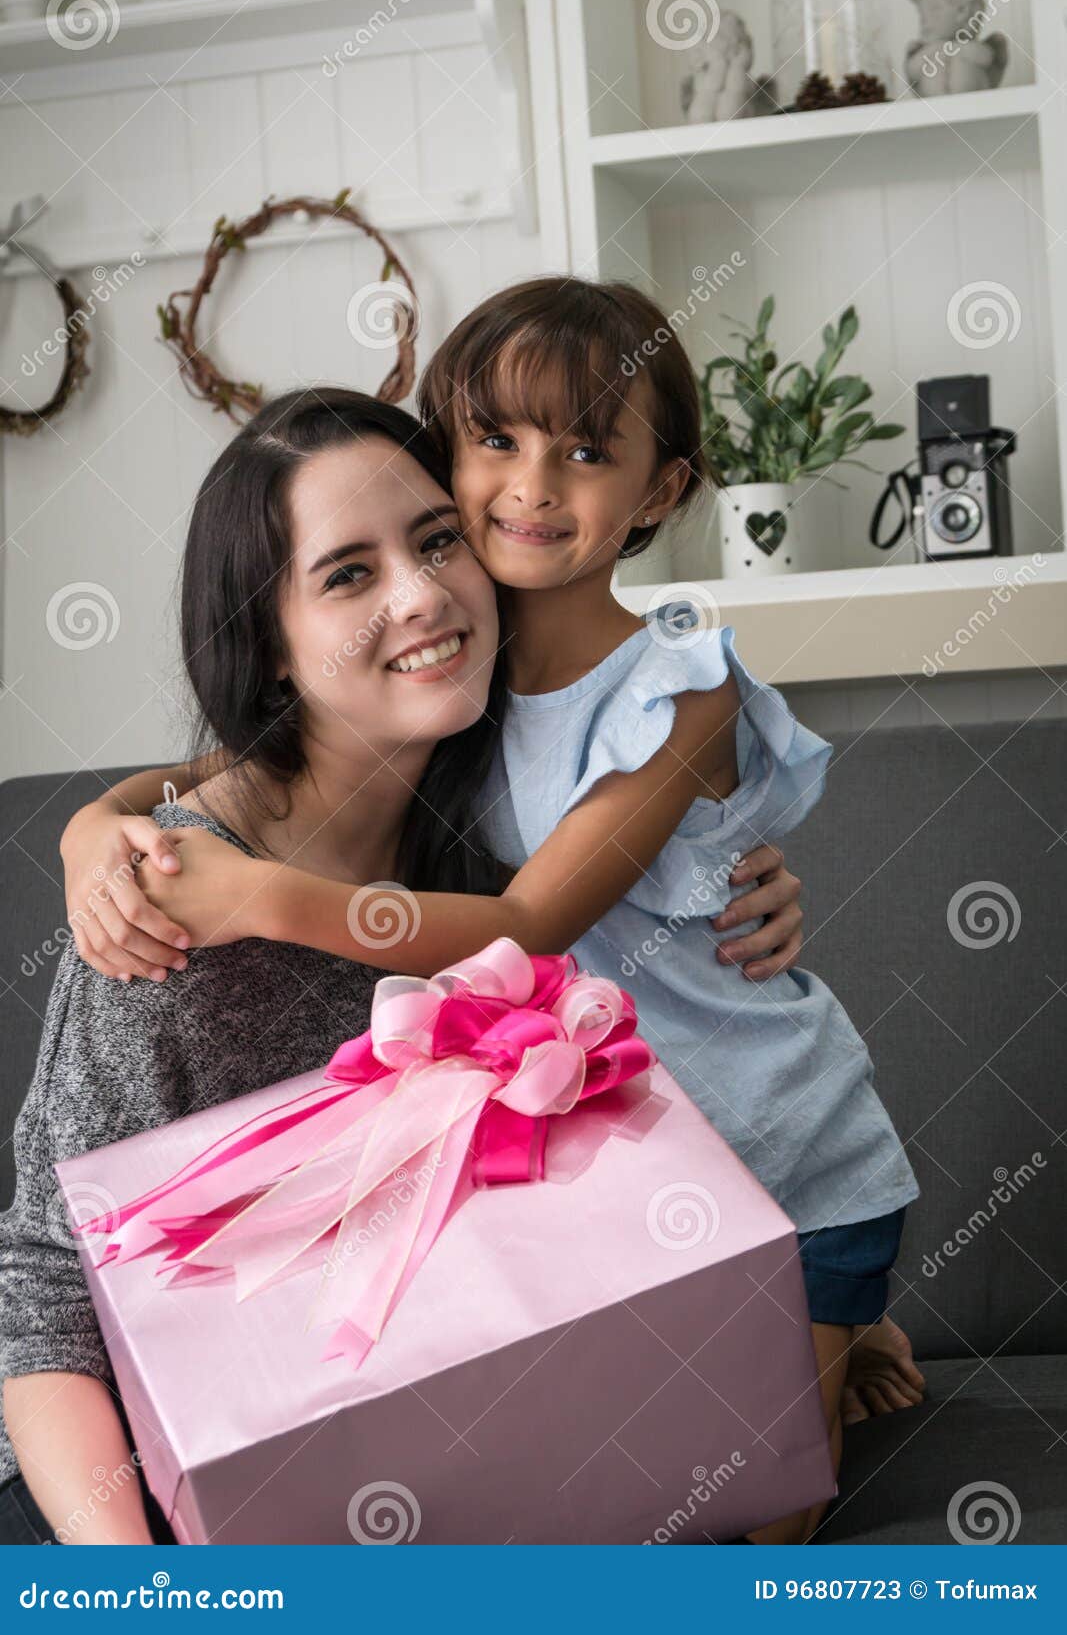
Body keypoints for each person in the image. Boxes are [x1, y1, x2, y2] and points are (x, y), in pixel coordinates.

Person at [58, 278, 924, 1545]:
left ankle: (834, 1301)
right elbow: (220, 768)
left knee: (766, 1496)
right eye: (496, 443)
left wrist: (262, 897)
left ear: (659, 492)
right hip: (610, 1208)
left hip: (774, 1153)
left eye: (584, 453)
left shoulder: (607, 694)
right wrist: (96, 826)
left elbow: (534, 915)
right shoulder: (457, 678)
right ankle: (835, 1318)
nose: (529, 488)